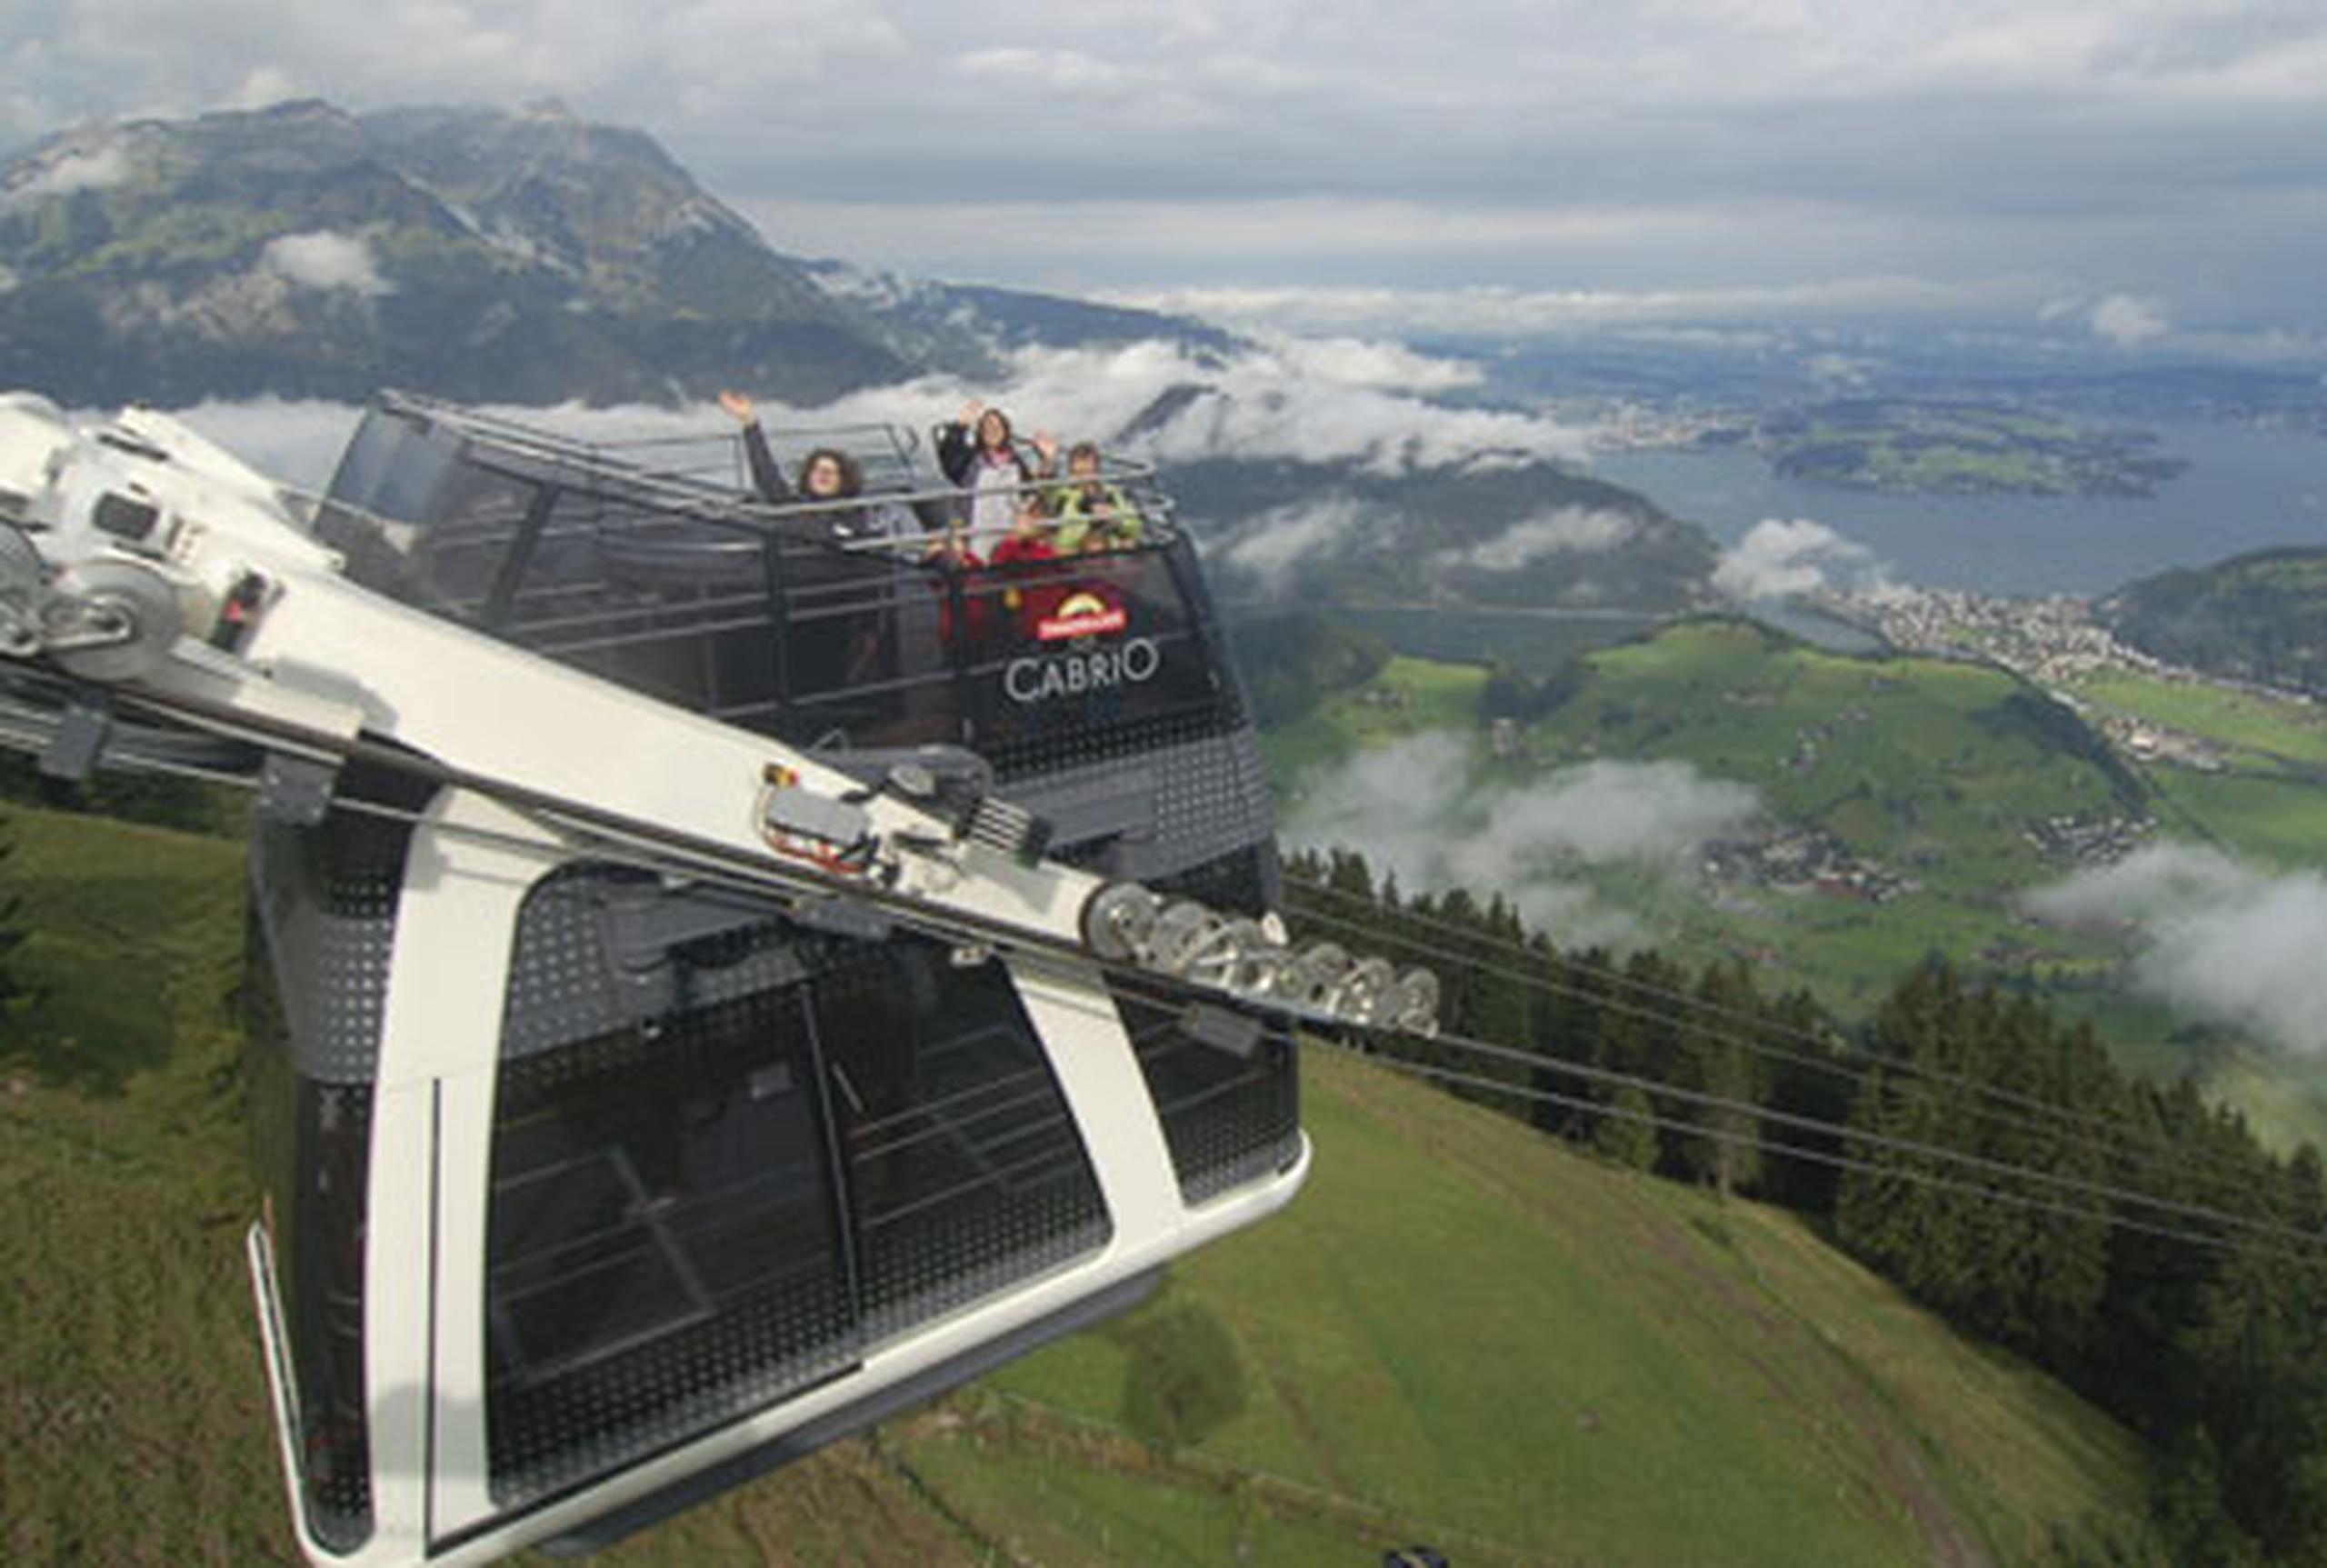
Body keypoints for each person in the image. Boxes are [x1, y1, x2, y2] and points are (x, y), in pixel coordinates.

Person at [934, 400, 1055, 545]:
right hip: (976, 537)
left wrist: (1047, 461)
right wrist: (959, 428)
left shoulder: (1015, 462)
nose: (992, 430)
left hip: (1009, 539)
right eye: (987, 426)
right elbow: (949, 463)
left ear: (1006, 431)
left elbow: (1032, 495)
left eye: (997, 426)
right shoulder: (970, 460)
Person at [1050, 440, 1145, 554]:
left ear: (1096, 467)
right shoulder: (1063, 494)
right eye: (1078, 462)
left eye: (1087, 462)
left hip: (1109, 550)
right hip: (1075, 551)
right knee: (1087, 547)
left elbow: (1134, 525)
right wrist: (1048, 461)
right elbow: (1045, 492)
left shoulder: (1111, 493)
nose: (1083, 468)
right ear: (1071, 468)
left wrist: (1115, 519)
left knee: (1129, 544)